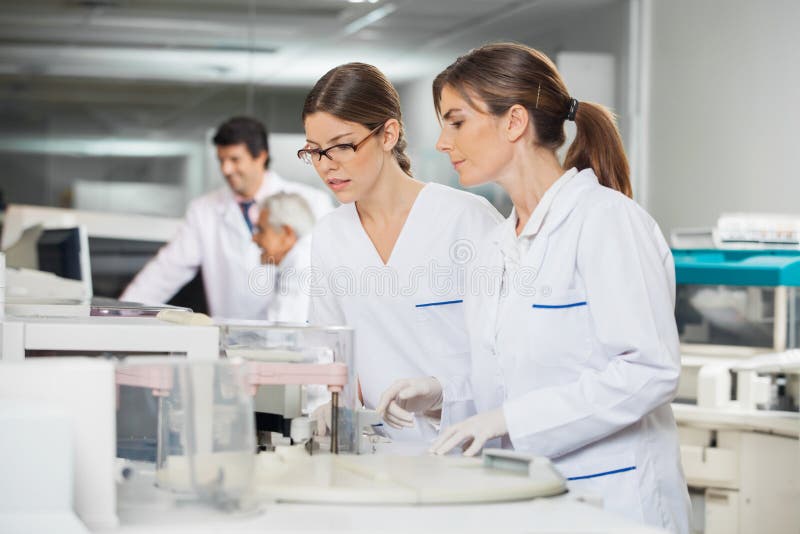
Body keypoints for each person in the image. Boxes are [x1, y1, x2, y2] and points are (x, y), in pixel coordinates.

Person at [377, 43, 691, 532]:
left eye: (456, 121)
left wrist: (509, 422)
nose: (442, 142)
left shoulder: (607, 222)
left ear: (514, 122)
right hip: (530, 496)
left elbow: (649, 370)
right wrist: (442, 394)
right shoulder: (495, 246)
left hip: (614, 499)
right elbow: (512, 381)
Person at [300, 62, 503, 446]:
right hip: (373, 456)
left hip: (466, 453)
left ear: (388, 134)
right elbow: (329, 352)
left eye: (343, 145)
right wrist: (330, 402)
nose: (327, 165)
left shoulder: (467, 220)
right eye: (314, 151)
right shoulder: (330, 234)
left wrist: (444, 393)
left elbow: (513, 358)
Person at [121, 116, 333, 319]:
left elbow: (315, 274)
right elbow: (166, 270)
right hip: (229, 339)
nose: (226, 169)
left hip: (290, 334)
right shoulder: (204, 210)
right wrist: (122, 312)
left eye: (234, 159)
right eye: (221, 160)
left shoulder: (311, 203)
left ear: (260, 156)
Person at [251, 192, 315, 323]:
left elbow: (282, 334)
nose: (254, 238)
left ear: (287, 233)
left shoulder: (302, 265)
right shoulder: (301, 258)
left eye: (261, 230)